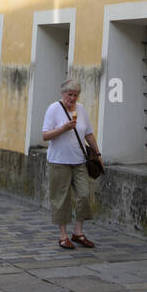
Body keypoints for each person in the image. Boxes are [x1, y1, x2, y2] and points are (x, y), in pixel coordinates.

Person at [42, 77, 103, 249]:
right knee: (61, 199)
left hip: (79, 161)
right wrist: (63, 128)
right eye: (70, 95)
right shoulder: (54, 109)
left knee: (84, 195)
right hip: (59, 161)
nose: (73, 99)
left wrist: (97, 154)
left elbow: (88, 134)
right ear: (63, 94)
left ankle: (78, 232)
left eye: (76, 95)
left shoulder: (81, 109)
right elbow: (45, 135)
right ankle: (63, 236)